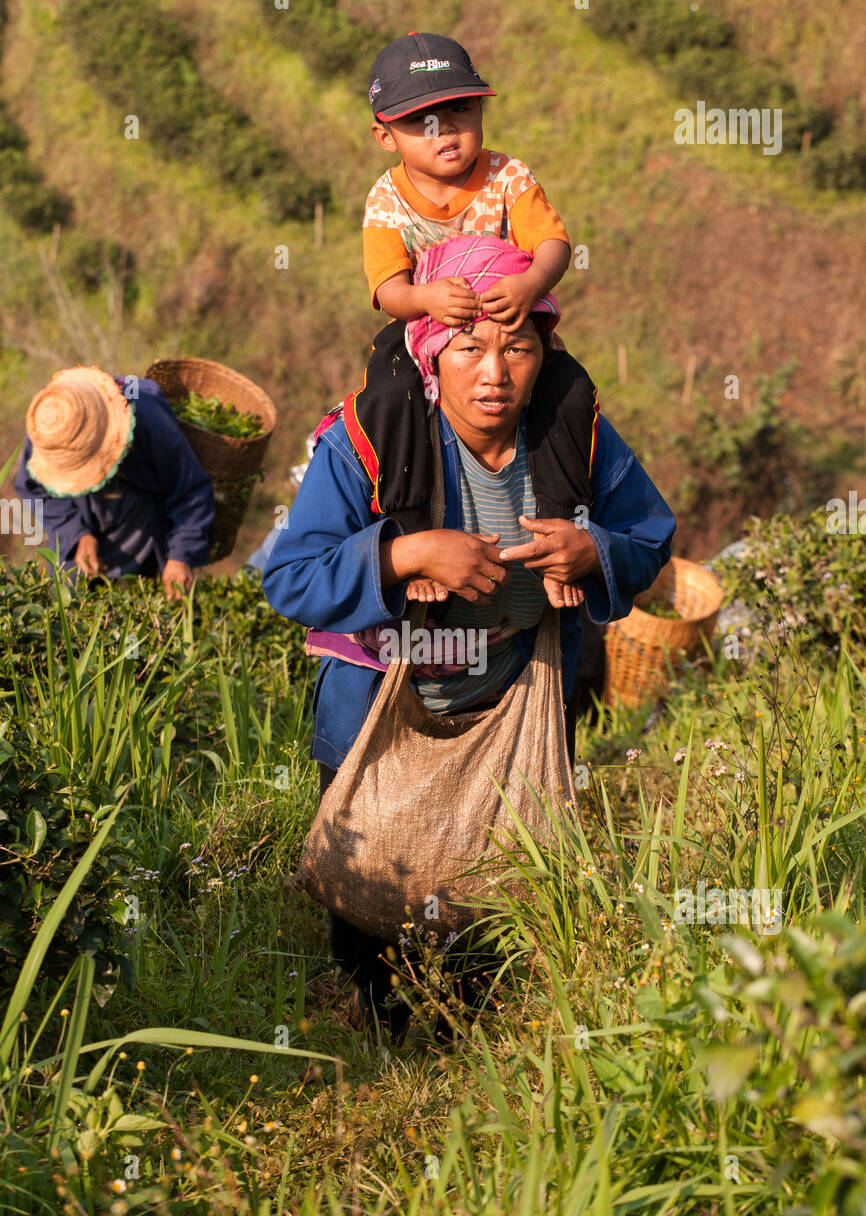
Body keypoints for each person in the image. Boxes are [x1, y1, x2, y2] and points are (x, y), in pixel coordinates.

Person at [263, 240, 676, 1035]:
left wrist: (594, 551)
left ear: (542, 353)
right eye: (470, 348)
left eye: (518, 347)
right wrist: (407, 553)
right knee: (368, 891)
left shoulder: (571, 431)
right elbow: (293, 575)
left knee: (494, 890)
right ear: (430, 358)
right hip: (380, 699)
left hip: (510, 690)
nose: (496, 373)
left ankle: (469, 1025)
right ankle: (376, 1012)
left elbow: (649, 534)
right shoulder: (369, 437)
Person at [351, 31, 599, 532]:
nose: (445, 130)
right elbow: (387, 289)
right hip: (424, 328)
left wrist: (532, 284)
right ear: (385, 136)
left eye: (460, 111)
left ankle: (559, 525)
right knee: (387, 394)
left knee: (570, 394)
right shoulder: (385, 200)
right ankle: (408, 524)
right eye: (422, 122)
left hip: (512, 324)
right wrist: (424, 298)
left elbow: (554, 244)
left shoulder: (509, 176)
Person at [15, 366, 214, 598]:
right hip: (83, 510)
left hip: (140, 507)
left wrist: (181, 555)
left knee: (147, 600)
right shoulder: (49, 430)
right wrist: (77, 534)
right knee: (67, 592)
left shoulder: (150, 422)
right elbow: (35, 489)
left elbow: (191, 491)